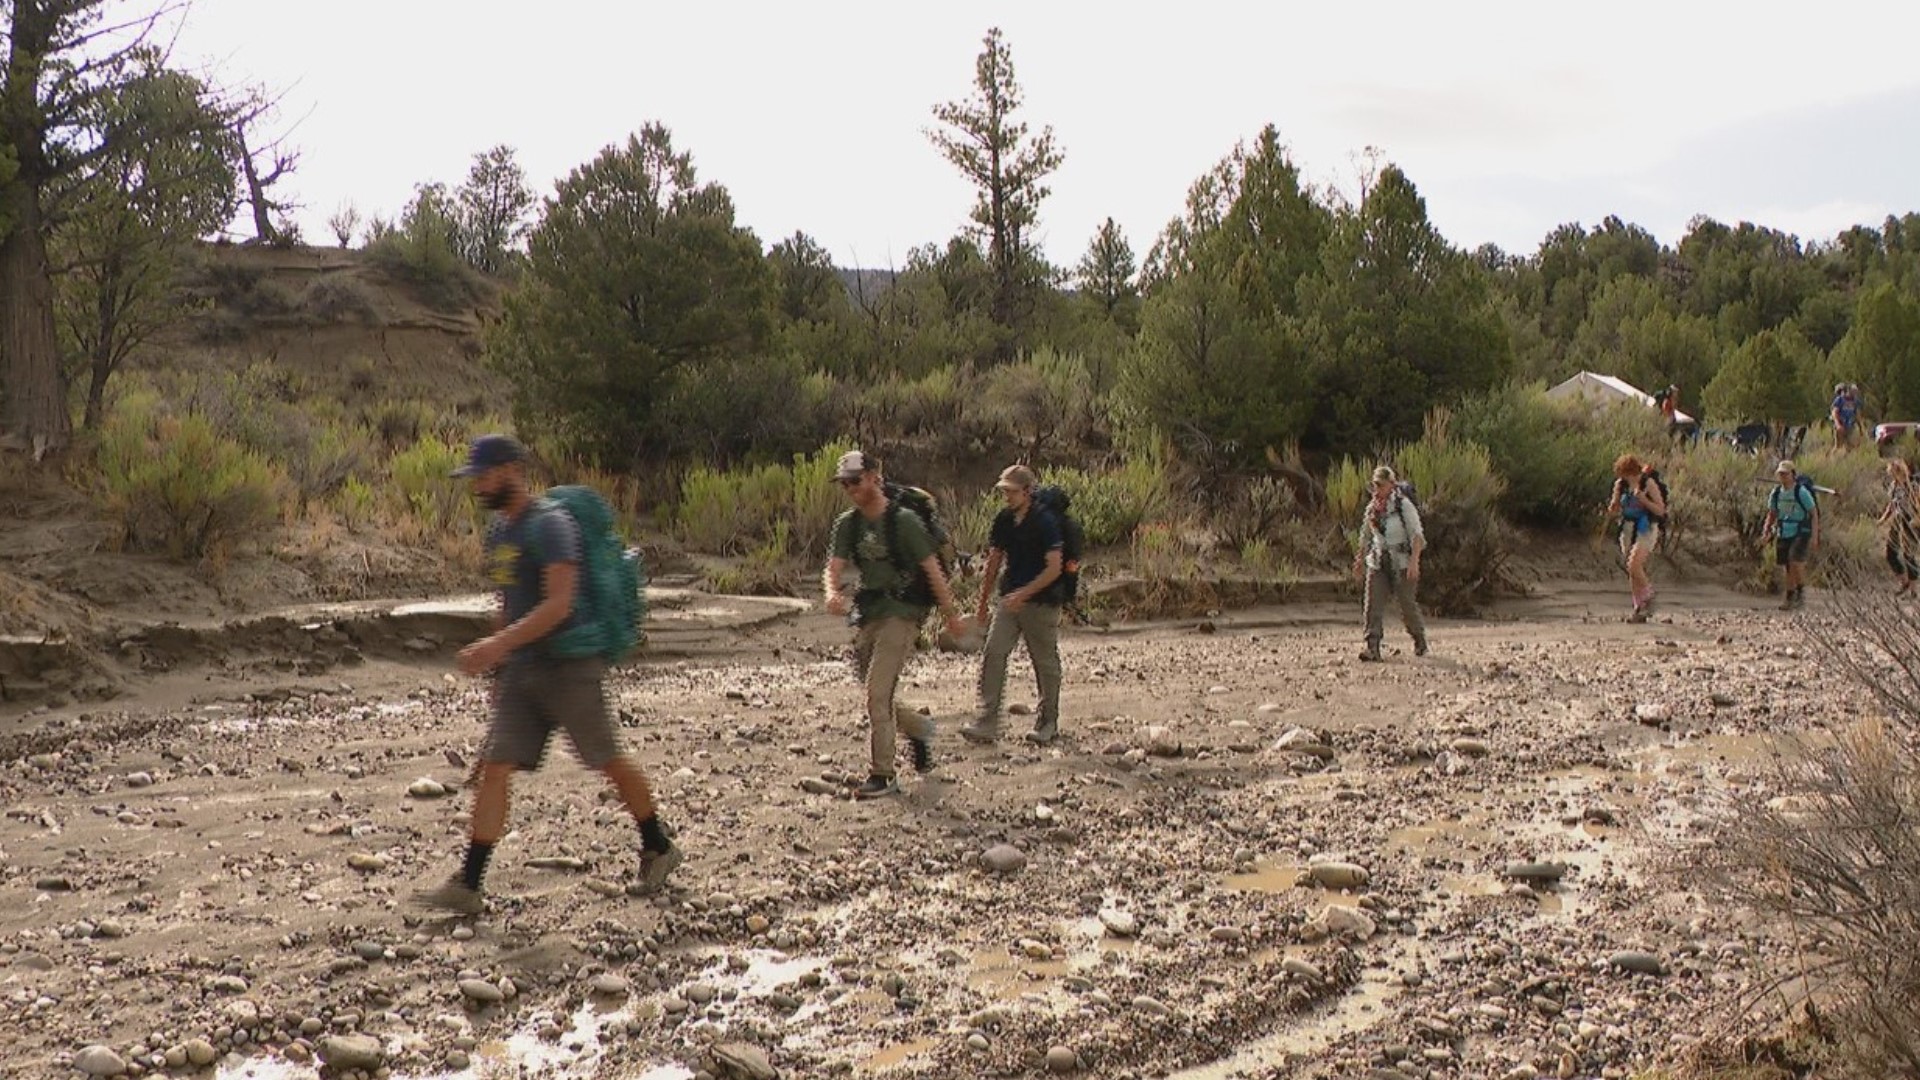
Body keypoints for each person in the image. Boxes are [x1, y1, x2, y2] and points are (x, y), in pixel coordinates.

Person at [420, 435, 680, 915]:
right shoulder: (501, 532)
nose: (478, 486)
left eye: (484, 476)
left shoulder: (552, 526)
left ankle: (658, 845)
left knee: (606, 760)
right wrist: (500, 668)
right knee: (496, 769)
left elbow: (559, 604)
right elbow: (508, 600)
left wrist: (498, 645)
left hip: (570, 665)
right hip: (523, 669)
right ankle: (469, 884)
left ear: (511, 470)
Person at [823, 450, 968, 798]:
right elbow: (834, 567)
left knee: (877, 693)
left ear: (875, 477)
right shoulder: (848, 524)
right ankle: (917, 729)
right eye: (845, 484)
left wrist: (950, 616)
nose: (850, 489)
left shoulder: (904, 522)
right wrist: (831, 593)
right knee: (876, 692)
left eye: (855, 481)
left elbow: (932, 569)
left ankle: (883, 774)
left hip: (903, 613)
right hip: (869, 611)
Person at [961, 464, 1067, 745]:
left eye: (1012, 491)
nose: (1007, 496)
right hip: (1009, 601)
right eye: (1004, 491)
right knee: (993, 653)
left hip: (1041, 603)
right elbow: (994, 561)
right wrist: (982, 603)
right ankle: (988, 721)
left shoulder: (1045, 522)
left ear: (1027, 491)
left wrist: (1025, 593)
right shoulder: (1004, 520)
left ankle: (1048, 722)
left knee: (1044, 662)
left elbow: (1054, 568)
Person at [1352, 466, 1427, 662]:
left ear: (1391, 485)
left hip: (1402, 563)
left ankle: (1419, 638)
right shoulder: (1372, 509)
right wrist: (1360, 559)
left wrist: (1414, 561)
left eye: (1381, 485)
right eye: (1374, 485)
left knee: (1406, 605)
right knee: (1372, 604)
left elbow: (1417, 536)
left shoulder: (1403, 506)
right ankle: (1372, 646)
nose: (1377, 490)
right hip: (1378, 562)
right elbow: (1365, 536)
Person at [1606, 454, 1667, 623]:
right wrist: (1613, 507)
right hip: (1627, 528)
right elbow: (1615, 507)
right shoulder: (1620, 485)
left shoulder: (1648, 483)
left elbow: (1661, 510)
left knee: (1634, 564)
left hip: (1646, 527)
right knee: (1631, 570)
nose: (1625, 478)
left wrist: (1643, 500)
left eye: (1626, 474)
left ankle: (1649, 595)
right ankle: (1638, 609)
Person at [1763, 459, 1820, 610]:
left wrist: (1815, 536)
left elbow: (1813, 513)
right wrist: (1766, 529)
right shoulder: (1776, 493)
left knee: (1795, 561)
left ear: (1793, 475)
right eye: (1780, 474)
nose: (1782, 477)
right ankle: (1790, 597)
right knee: (1788, 566)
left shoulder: (1801, 492)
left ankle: (1800, 592)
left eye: (1785, 474)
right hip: (1784, 531)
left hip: (1800, 531)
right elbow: (1772, 513)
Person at [1880, 458, 1920, 594]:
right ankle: (1904, 582)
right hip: (1898, 520)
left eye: (1892, 472)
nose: (1891, 475)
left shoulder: (1913, 486)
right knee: (1890, 553)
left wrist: (1916, 519)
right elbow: (1892, 504)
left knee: (1908, 554)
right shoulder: (1894, 486)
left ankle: (1913, 590)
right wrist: (1883, 519)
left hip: (1911, 521)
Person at [1832, 383, 1861, 449]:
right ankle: (1831, 455)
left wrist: (1861, 428)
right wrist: (1838, 424)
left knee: (1852, 446)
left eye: (1855, 392)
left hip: (1850, 426)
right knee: (1838, 446)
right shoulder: (1840, 400)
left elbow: (1857, 414)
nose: (1854, 394)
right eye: (1853, 391)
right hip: (1841, 425)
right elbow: (1834, 412)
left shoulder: (1855, 401)